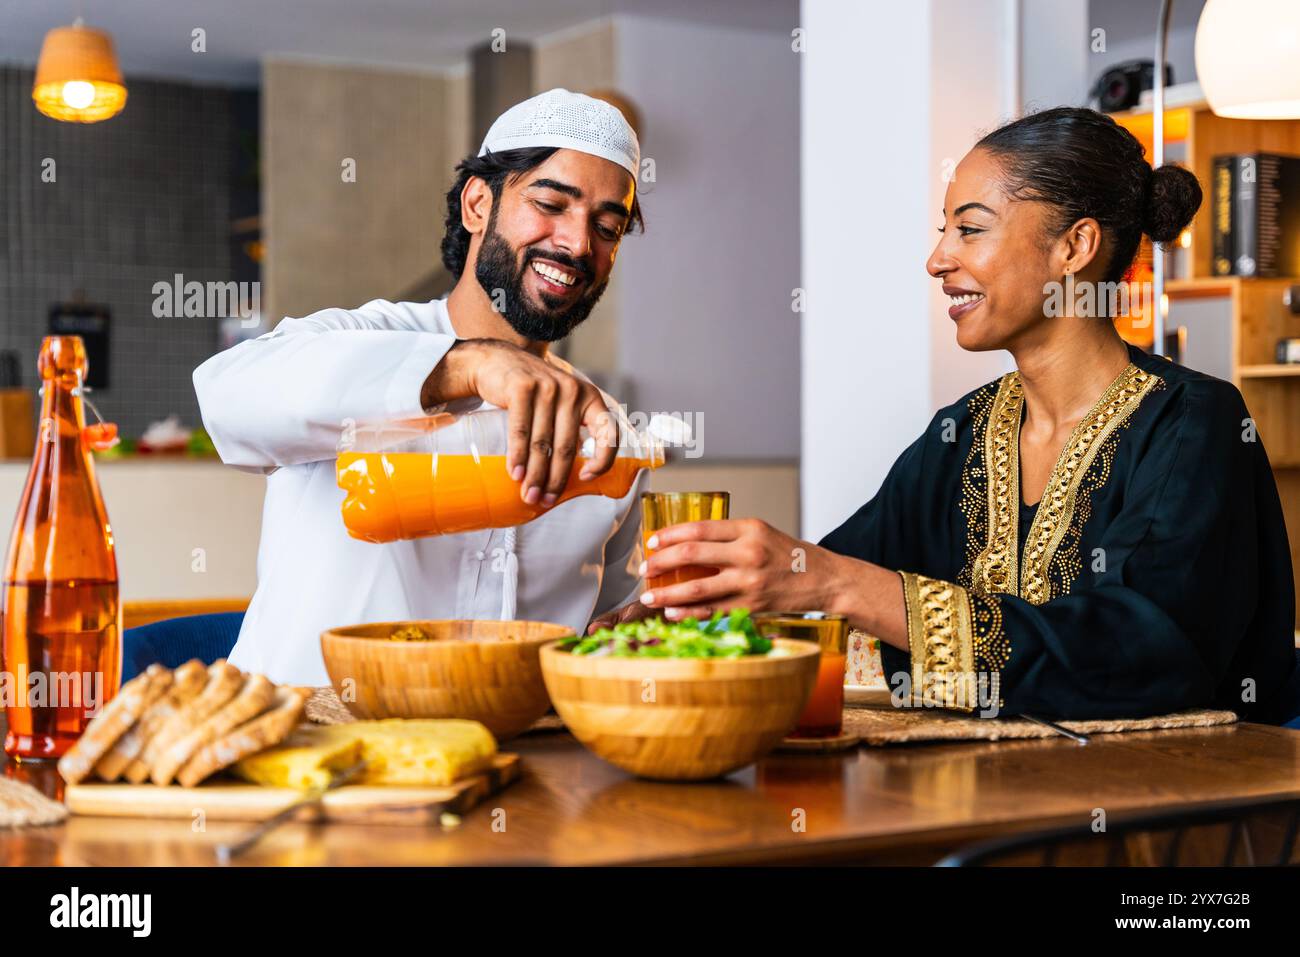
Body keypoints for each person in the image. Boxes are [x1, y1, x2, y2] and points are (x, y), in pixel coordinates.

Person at [635, 106, 1299, 723]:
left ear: (1074, 247)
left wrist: (838, 583)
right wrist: (703, 606)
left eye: (970, 229)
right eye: (943, 230)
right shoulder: (964, 432)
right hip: (992, 814)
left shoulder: (1194, 422)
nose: (937, 260)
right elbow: (823, 582)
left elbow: (1146, 656)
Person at [194, 89, 647, 685]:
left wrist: (633, 633)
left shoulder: (603, 427)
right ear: (478, 204)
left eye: (607, 227)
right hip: (305, 752)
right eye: (551, 204)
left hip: (507, 762)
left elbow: (610, 620)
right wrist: (465, 367)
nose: (578, 243)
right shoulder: (352, 340)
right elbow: (226, 397)